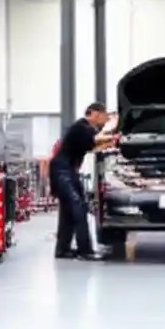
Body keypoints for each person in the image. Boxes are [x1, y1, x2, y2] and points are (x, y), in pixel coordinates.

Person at [51, 102, 118, 260]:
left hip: (68, 171)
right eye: (104, 116)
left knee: (68, 212)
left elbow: (93, 147)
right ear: (95, 113)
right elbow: (96, 139)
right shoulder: (82, 127)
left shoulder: (85, 130)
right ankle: (85, 251)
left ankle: (62, 250)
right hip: (62, 171)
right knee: (79, 209)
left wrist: (111, 142)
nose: (104, 120)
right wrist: (115, 133)